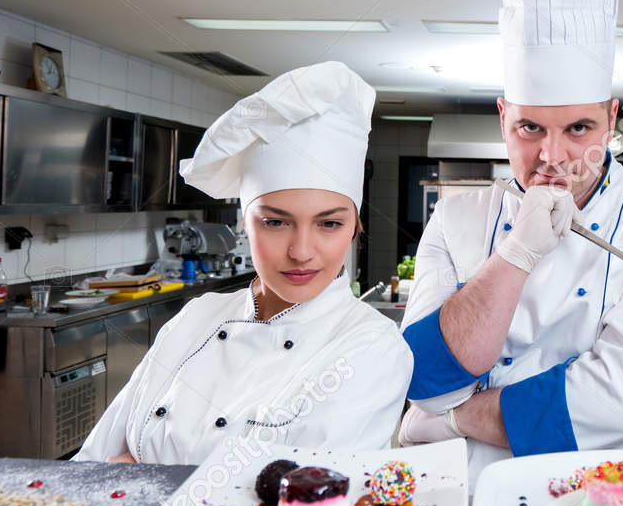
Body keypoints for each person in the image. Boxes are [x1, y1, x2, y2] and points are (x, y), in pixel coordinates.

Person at [398, 0, 623, 484]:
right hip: (469, 488)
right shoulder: (457, 214)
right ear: (503, 118)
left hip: (613, 494)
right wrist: (517, 253)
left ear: (612, 119)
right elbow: (423, 376)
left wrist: (457, 417)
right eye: (530, 129)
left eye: (580, 128)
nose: (553, 156)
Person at [74, 62, 413, 464]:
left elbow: (306, 503)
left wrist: (138, 464)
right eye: (275, 222)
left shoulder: (371, 344)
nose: (301, 251)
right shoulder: (197, 316)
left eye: (329, 223)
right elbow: (96, 465)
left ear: (354, 226)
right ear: (244, 223)